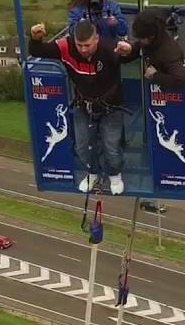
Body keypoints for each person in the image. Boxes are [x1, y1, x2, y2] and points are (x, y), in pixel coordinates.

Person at [28, 19, 136, 194]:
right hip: (83, 105)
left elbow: (132, 54)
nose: (83, 50)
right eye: (79, 45)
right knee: (82, 147)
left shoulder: (109, 48)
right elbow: (37, 50)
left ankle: (114, 174)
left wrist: (130, 49)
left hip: (111, 106)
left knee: (111, 147)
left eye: (87, 45)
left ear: (97, 39)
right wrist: (35, 38)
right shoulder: (65, 47)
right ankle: (92, 173)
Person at [127, 8, 185, 89]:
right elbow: (139, 47)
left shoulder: (169, 52)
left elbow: (179, 80)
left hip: (166, 94)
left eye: (141, 38)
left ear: (151, 36)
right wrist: (129, 49)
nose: (139, 40)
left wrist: (155, 75)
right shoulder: (149, 42)